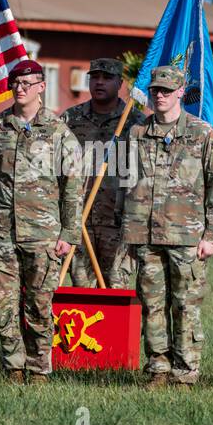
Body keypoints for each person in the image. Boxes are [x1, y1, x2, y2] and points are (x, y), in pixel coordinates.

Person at [113, 65, 213, 388]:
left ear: (180, 92)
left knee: (185, 303)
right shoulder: (136, 133)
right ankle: (158, 368)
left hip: (187, 236)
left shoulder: (202, 133)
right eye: (155, 90)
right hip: (145, 233)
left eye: (166, 90)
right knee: (152, 304)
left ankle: (185, 372)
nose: (160, 95)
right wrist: (125, 225)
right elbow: (124, 181)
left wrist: (212, 234)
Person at [0, 59, 83, 384]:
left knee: (39, 304)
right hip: (2, 231)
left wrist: (69, 232)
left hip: (44, 234)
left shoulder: (58, 131)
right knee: (3, 305)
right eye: (16, 84)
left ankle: (38, 369)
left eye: (28, 83)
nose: (20, 89)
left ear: (41, 87)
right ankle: (13, 367)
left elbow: (72, 186)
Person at [61, 57, 136, 287]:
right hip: (79, 223)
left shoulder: (135, 123)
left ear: (120, 83)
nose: (99, 83)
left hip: (118, 224)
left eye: (107, 78)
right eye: (94, 77)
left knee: (115, 289)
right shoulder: (69, 120)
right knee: (82, 292)